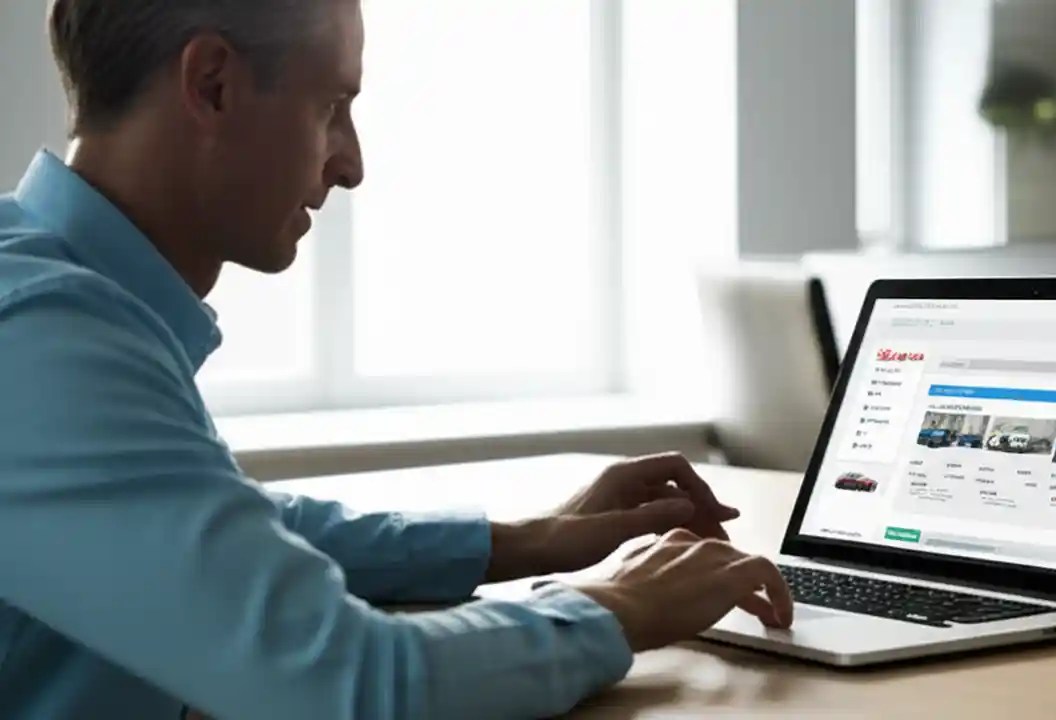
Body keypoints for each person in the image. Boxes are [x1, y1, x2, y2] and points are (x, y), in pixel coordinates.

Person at [0, 1, 793, 718]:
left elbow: (213, 520)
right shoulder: (46, 335)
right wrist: (616, 605)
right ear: (211, 84)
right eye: (333, 107)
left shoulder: (57, 295)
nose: (350, 163)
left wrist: (525, 539)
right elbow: (346, 685)